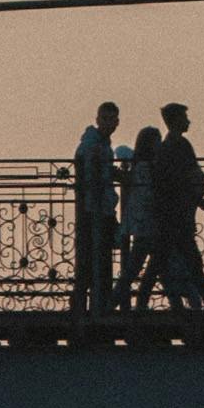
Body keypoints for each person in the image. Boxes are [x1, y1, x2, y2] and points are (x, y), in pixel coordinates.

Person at [152, 101, 204, 313]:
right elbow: (187, 177)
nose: (188, 121)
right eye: (184, 117)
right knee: (188, 259)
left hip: (172, 212)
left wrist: (200, 202)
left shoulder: (168, 145)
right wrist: (199, 199)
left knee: (164, 260)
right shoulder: (179, 145)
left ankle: (192, 300)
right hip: (178, 213)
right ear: (175, 120)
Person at [70, 102, 123, 318]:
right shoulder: (93, 145)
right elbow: (90, 174)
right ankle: (95, 306)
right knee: (93, 258)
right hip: (94, 210)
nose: (109, 123)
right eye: (106, 118)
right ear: (98, 119)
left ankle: (93, 305)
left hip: (98, 208)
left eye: (112, 119)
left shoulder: (98, 143)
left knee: (94, 258)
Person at [122, 124, 165, 307]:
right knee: (139, 267)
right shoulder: (146, 168)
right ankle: (124, 301)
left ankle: (137, 302)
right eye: (157, 142)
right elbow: (147, 196)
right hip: (147, 224)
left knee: (148, 266)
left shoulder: (140, 167)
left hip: (145, 224)